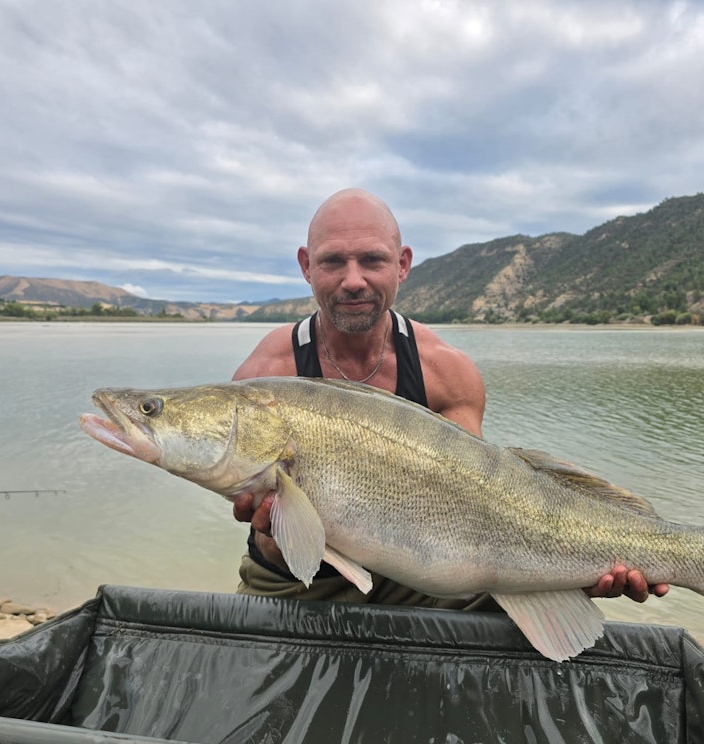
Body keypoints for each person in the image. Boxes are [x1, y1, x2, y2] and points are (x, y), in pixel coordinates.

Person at [231, 187, 668, 607]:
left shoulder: (447, 371)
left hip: (427, 579)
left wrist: (573, 569)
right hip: (299, 579)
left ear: (402, 265)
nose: (353, 280)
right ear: (306, 266)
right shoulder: (264, 377)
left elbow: (477, 511)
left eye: (372, 260)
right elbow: (266, 540)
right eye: (332, 262)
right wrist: (277, 536)